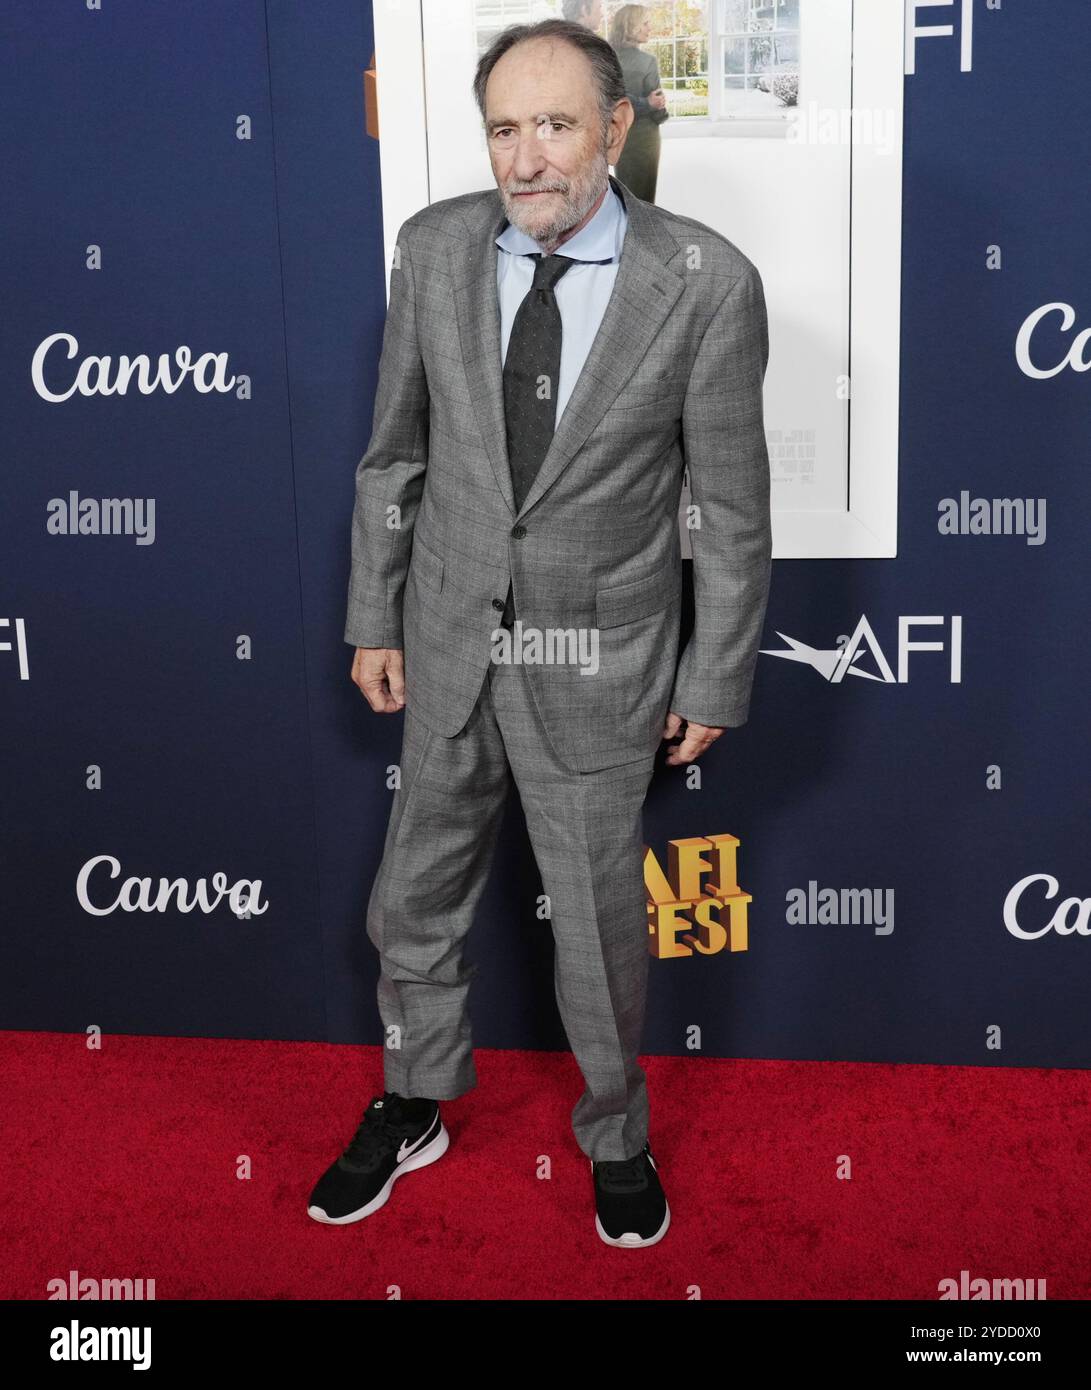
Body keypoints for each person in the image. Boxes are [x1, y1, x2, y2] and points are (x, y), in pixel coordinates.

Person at [309, 16, 772, 1249]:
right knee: (409, 905)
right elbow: (392, 457)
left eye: (555, 125)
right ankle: (415, 1097)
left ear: (615, 129)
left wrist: (714, 671)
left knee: (599, 929)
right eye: (503, 128)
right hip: (449, 635)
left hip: (601, 668)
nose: (525, 159)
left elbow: (728, 508)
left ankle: (614, 1135)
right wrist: (374, 613)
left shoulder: (704, 282)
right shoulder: (434, 249)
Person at [610, 4, 668, 202]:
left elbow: (612, 97)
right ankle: (644, 233)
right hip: (645, 138)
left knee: (625, 195)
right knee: (645, 198)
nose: (649, 28)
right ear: (631, 26)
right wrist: (656, 106)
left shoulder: (606, 58)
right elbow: (658, 111)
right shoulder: (647, 61)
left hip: (619, 136)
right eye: (645, 23)